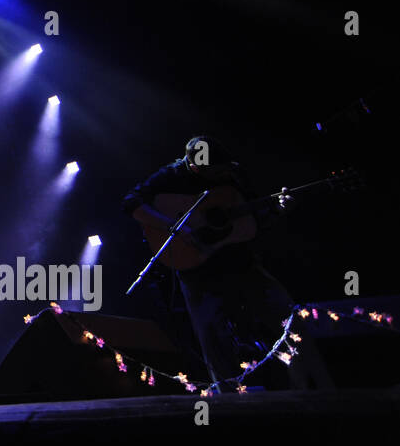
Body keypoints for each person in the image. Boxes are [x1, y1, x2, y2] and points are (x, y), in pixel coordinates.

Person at [122, 135, 333, 391]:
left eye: (221, 168)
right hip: (197, 270)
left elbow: (251, 221)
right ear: (194, 166)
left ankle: (315, 390)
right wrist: (176, 227)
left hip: (240, 263)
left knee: (286, 320)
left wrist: (278, 209)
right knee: (212, 337)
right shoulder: (171, 176)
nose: (219, 173)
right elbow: (132, 203)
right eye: (212, 170)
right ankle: (228, 402)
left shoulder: (233, 175)